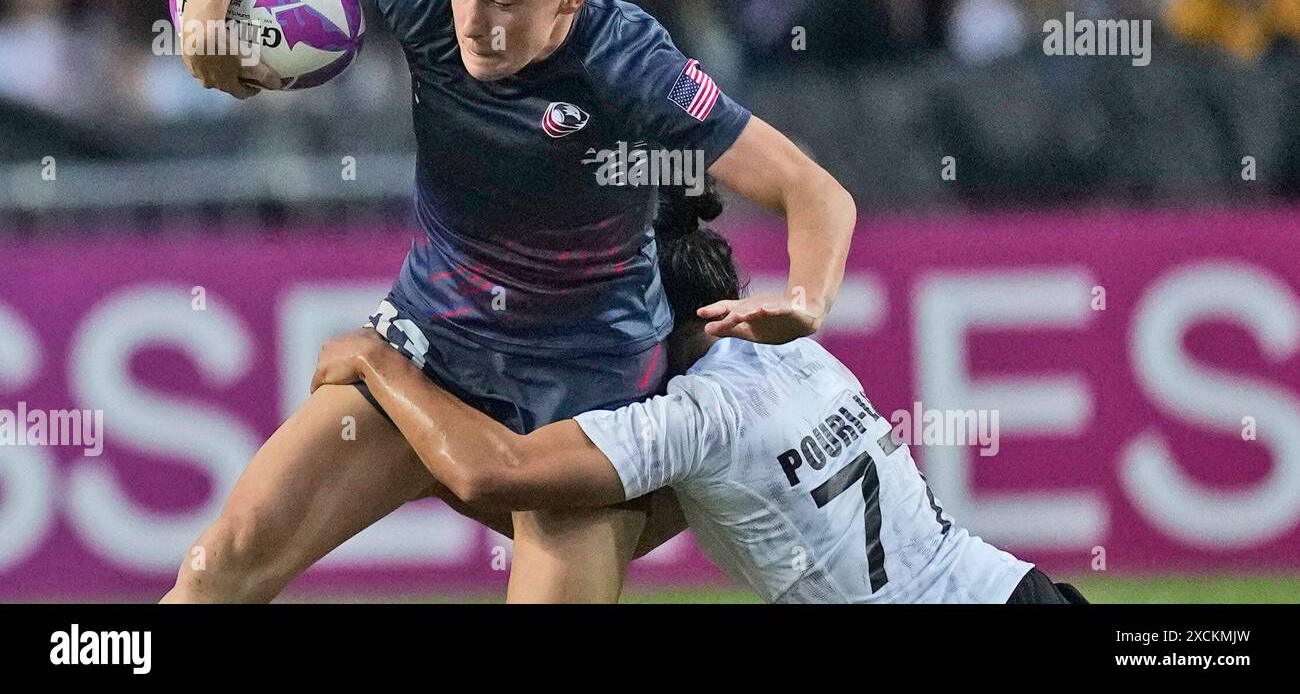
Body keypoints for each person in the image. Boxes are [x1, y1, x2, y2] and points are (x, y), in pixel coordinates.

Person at [162, 0, 857, 603]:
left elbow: (813, 190)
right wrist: (204, 17)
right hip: (430, 347)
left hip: (589, 399)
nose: (472, 21)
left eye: (503, 0)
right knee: (216, 570)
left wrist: (807, 300)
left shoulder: (633, 67)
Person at [313, 182, 1087, 604]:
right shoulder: (797, 361)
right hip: (1013, 589)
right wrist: (440, 478)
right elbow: (620, 528)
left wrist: (382, 365)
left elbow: (498, 470)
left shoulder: (694, 418)